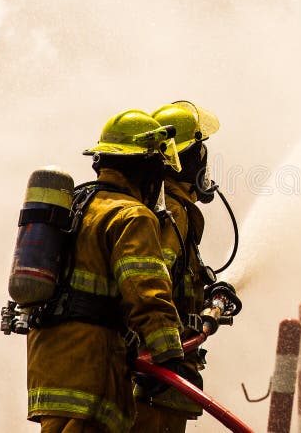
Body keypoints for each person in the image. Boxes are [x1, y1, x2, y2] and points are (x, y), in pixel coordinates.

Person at [26, 109, 190, 433]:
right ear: (144, 169)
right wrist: (168, 351)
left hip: (49, 361)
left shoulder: (76, 205)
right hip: (91, 363)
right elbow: (145, 290)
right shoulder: (132, 216)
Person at [131, 101, 221, 432]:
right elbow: (154, 281)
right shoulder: (172, 211)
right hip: (157, 380)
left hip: (159, 375)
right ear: (187, 159)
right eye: (201, 152)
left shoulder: (161, 205)